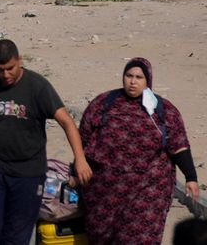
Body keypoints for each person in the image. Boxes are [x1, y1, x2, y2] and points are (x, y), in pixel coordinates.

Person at [0, 40, 92, 245]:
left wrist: (80, 159)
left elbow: (67, 122)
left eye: (10, 68)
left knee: (16, 235)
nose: (5, 75)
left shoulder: (38, 86)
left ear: (20, 61)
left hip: (28, 172)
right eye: (0, 70)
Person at [79, 57, 198, 245]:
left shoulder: (163, 110)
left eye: (139, 77)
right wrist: (77, 166)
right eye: (129, 76)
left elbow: (179, 144)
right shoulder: (103, 103)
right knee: (102, 237)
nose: (132, 81)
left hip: (148, 189)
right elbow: (83, 137)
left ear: (148, 80)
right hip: (105, 190)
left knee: (140, 238)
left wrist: (191, 177)